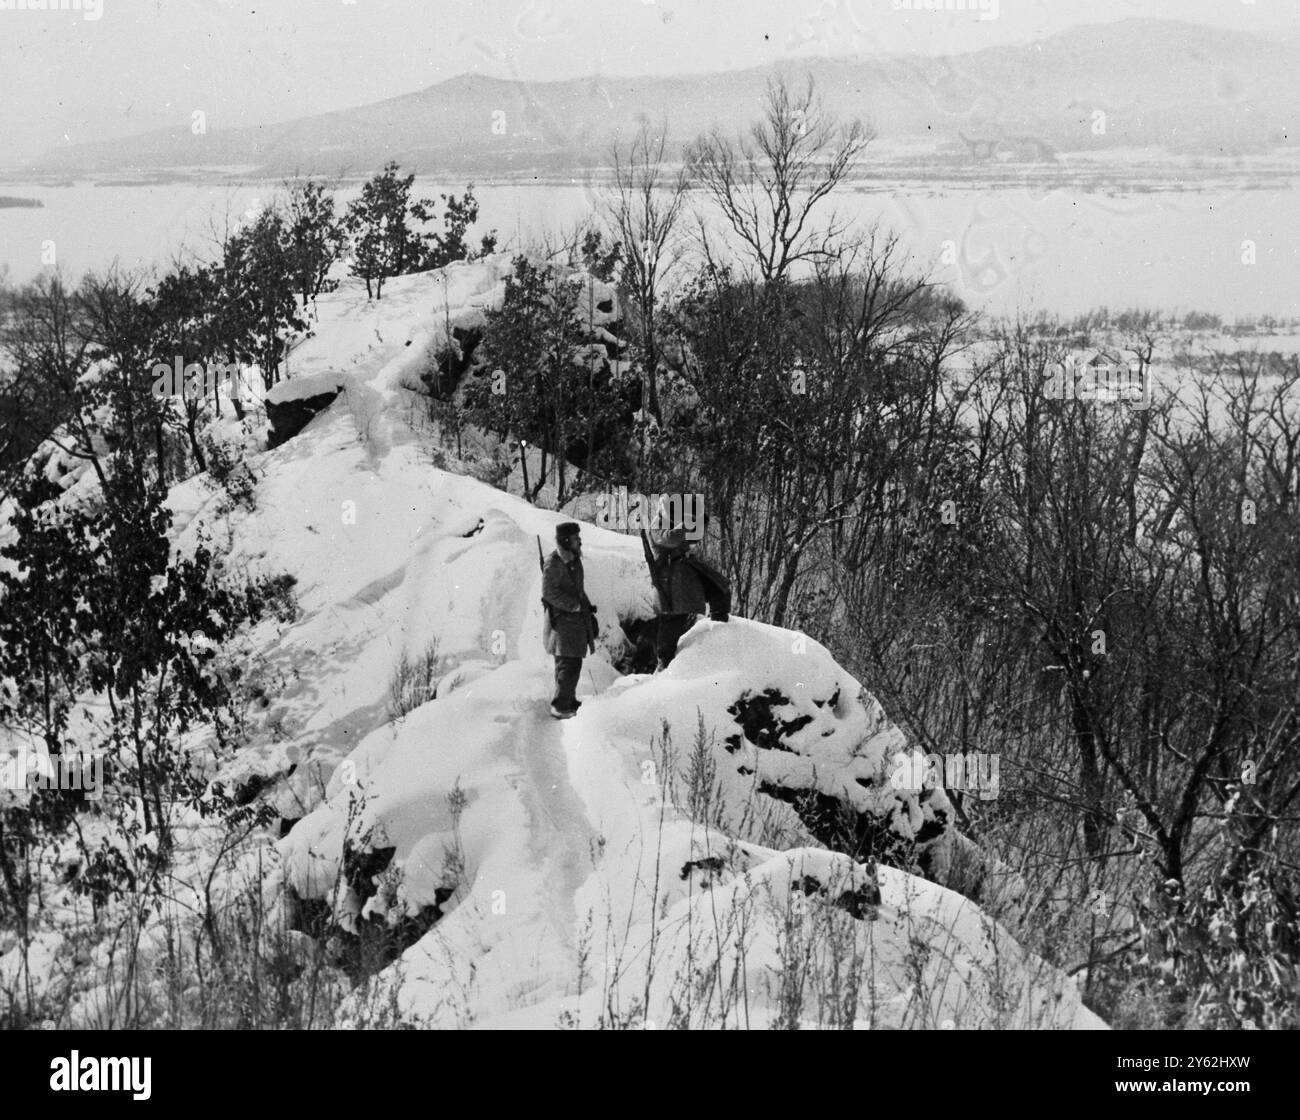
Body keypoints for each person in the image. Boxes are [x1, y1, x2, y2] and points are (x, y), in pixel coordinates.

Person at [640, 523, 730, 669]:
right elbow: (670, 539)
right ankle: (664, 665)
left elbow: (691, 539)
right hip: (670, 578)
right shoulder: (657, 524)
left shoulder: (674, 521)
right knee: (673, 619)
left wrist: (699, 522)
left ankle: (719, 631)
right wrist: (685, 524)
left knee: (721, 589)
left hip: (686, 572)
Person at [541, 522, 598, 718]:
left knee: (572, 661)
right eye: (575, 537)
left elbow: (577, 589)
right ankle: (561, 705)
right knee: (567, 662)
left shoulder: (572, 559)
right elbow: (549, 592)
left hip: (574, 620)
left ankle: (568, 699)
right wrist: (573, 605)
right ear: (566, 540)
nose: (579, 540)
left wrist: (586, 609)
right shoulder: (555, 562)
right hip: (563, 621)